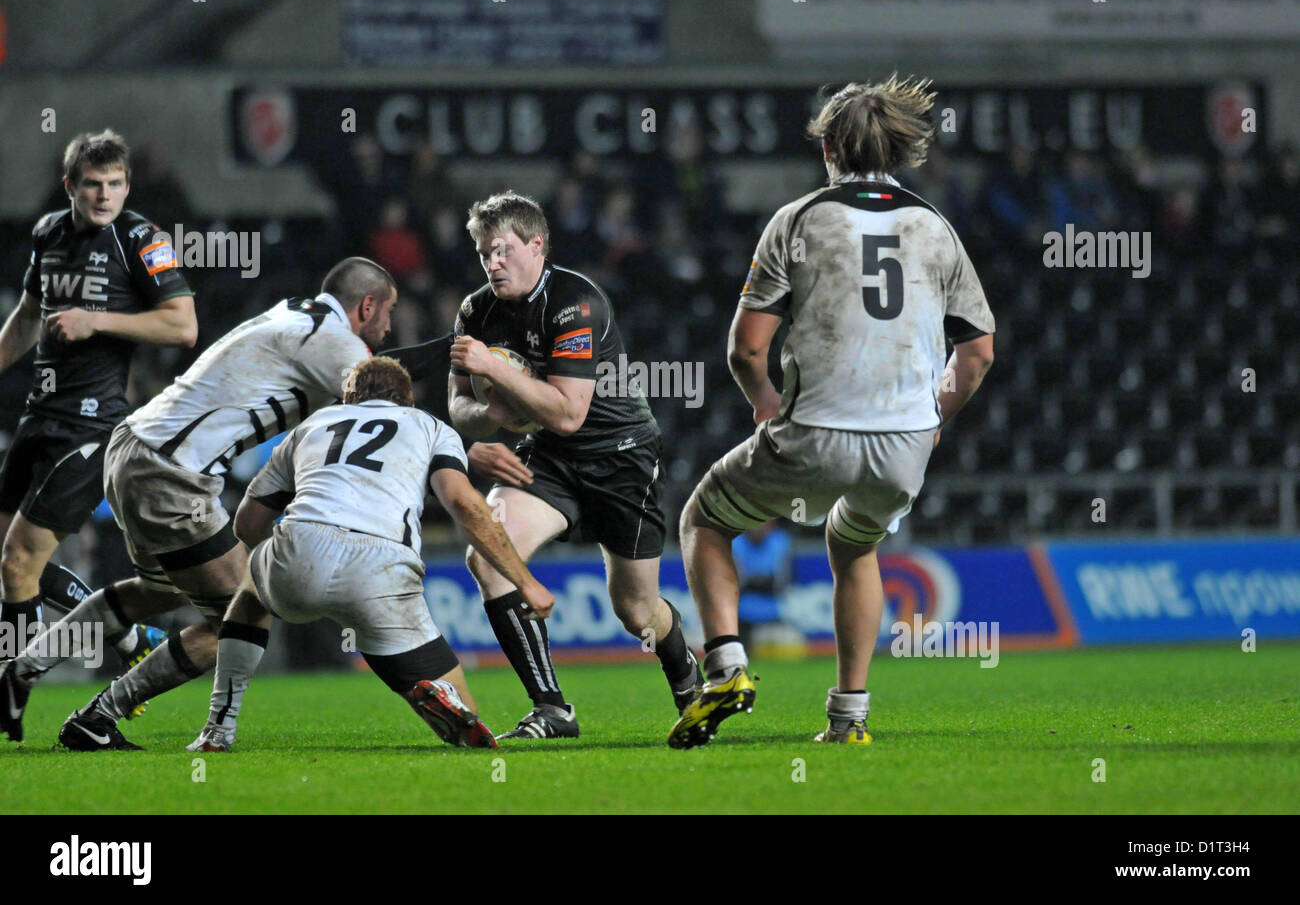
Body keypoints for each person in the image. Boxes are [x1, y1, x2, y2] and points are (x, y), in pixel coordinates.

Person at [669, 75, 995, 748]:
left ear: (827, 149)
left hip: (816, 429)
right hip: (903, 442)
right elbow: (979, 353)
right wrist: (936, 416)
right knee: (854, 545)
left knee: (702, 518)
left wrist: (763, 402)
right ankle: (849, 717)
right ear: (901, 153)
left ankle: (727, 666)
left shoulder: (799, 219)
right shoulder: (935, 228)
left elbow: (745, 347)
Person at [8, 257, 394, 750]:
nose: (389, 324)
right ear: (367, 305)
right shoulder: (335, 341)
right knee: (239, 618)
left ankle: (23, 667)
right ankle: (98, 716)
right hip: (171, 473)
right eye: (389, 311)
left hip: (132, 448)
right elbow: (383, 401)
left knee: (160, 589)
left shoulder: (292, 313)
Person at [187, 356, 554, 751]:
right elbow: (465, 505)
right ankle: (432, 691)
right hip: (382, 567)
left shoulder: (313, 425)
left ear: (348, 396)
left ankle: (218, 728)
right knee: (469, 723)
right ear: (408, 400)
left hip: (302, 545)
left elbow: (247, 522)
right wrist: (525, 582)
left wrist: (275, 560)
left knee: (250, 591)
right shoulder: (432, 427)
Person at [442, 190, 701, 739]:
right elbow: (459, 405)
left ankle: (687, 678)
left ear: (536, 246)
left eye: (504, 250)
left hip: (620, 456)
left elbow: (567, 413)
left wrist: (496, 368)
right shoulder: (475, 310)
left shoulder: (575, 301)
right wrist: (491, 414)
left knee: (635, 612)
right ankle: (552, 708)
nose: (493, 262)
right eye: (485, 252)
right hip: (552, 460)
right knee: (487, 552)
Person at [0, 129, 197, 740]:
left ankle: (10, 697)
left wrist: (99, 319)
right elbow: (30, 315)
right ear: (71, 187)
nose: (105, 194)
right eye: (93, 184)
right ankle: (134, 636)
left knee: (19, 561)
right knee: (5, 562)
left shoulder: (141, 239)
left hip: (93, 423)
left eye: (115, 183)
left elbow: (183, 326)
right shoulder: (48, 234)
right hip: (39, 413)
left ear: (128, 186)